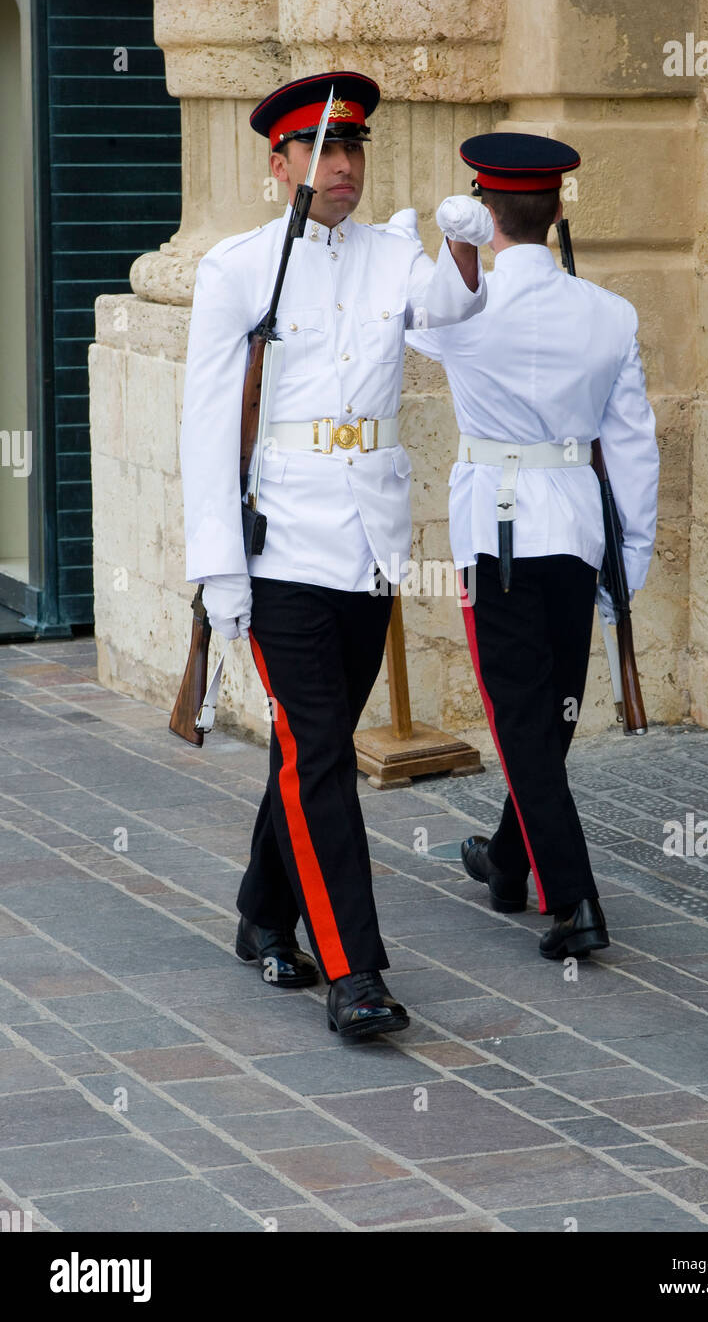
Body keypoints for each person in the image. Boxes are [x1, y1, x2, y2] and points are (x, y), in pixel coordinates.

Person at [179, 72, 493, 1038]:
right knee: (321, 756)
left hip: (368, 543)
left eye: (352, 149)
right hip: (282, 544)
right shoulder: (238, 270)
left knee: (302, 751)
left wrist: (464, 246)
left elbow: (448, 314)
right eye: (319, 152)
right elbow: (204, 427)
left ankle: (262, 913)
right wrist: (219, 571)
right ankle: (355, 971)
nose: (342, 167)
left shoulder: (392, 253)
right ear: (279, 166)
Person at [404, 132, 659, 961]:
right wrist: (633, 558)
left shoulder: (466, 311)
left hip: (502, 537)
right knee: (550, 714)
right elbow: (632, 449)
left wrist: (455, 247)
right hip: (577, 531)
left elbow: (420, 317)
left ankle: (574, 899)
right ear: (557, 210)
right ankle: (507, 861)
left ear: (487, 207)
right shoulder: (611, 315)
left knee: (522, 720)